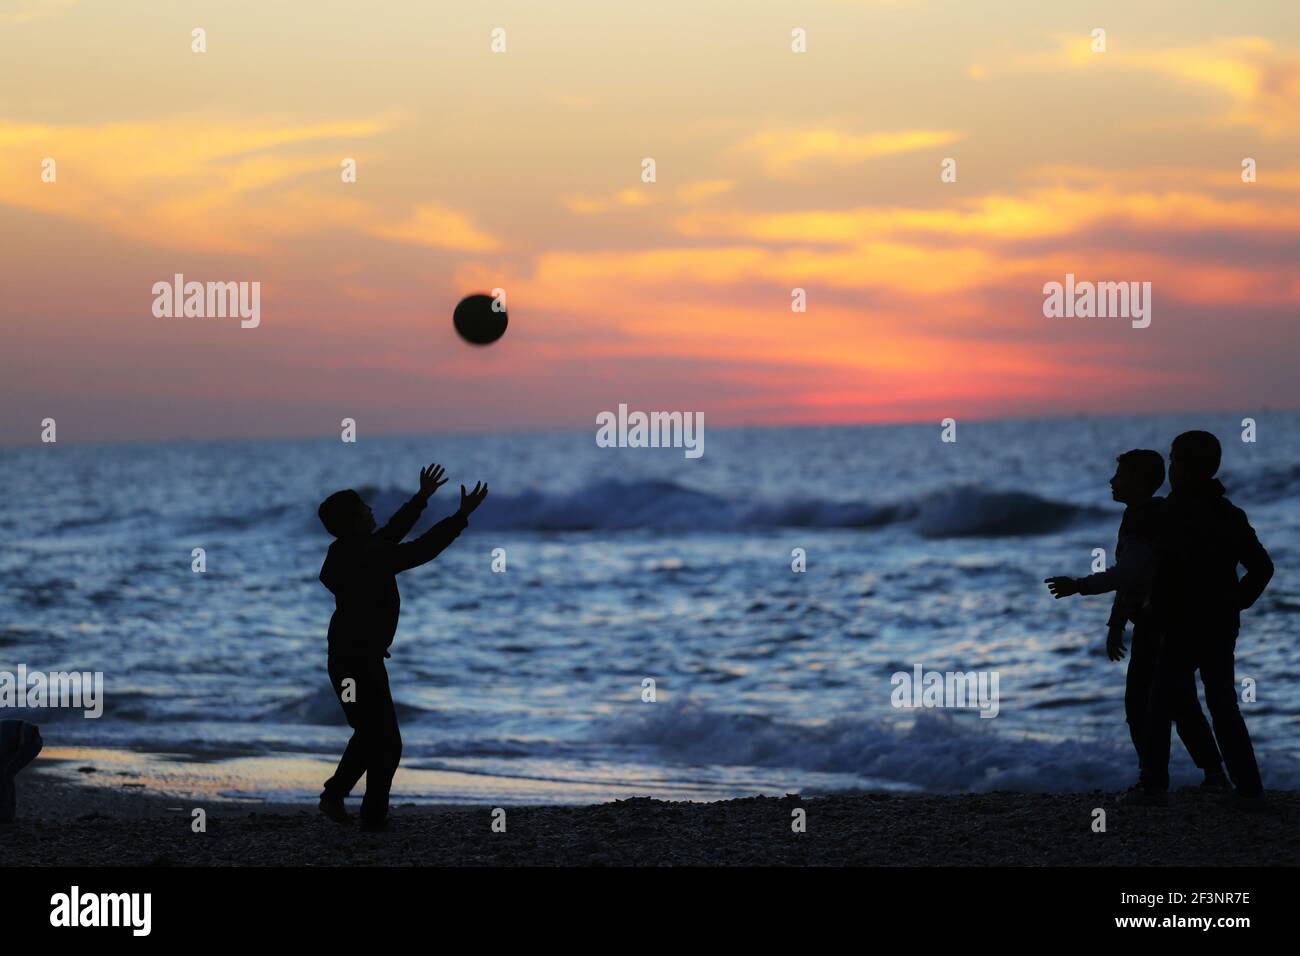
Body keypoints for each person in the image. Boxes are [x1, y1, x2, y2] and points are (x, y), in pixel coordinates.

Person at [316, 464, 488, 830]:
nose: (371, 510)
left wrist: (422, 498)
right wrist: (459, 517)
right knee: (384, 741)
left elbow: (391, 534)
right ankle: (367, 814)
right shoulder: (368, 555)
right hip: (358, 660)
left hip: (349, 658)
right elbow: (421, 550)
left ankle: (343, 800)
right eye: (365, 508)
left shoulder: (347, 550)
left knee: (371, 735)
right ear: (353, 522)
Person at [1046, 450, 1225, 790]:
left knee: (1143, 704)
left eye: (1121, 476)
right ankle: (1210, 775)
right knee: (1179, 701)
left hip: (1161, 625)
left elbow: (1129, 572)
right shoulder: (1140, 515)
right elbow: (1135, 579)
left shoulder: (1146, 519)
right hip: (1164, 622)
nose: (1112, 481)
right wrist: (1116, 623)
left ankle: (1154, 778)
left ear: (1141, 483)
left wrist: (1080, 586)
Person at [1131, 431, 1272, 806]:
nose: (1171, 466)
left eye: (1174, 459)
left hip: (1179, 624)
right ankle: (1250, 788)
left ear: (1187, 467)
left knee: (1160, 704)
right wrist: (1236, 603)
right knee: (1223, 704)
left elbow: (1153, 569)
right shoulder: (1228, 514)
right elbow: (1262, 567)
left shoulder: (1169, 515)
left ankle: (1153, 786)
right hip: (1219, 624)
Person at [0, 718, 44, 823]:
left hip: (29, 740)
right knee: (6, 774)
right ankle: (7, 813)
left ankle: (6, 815)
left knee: (5, 774)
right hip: (29, 738)